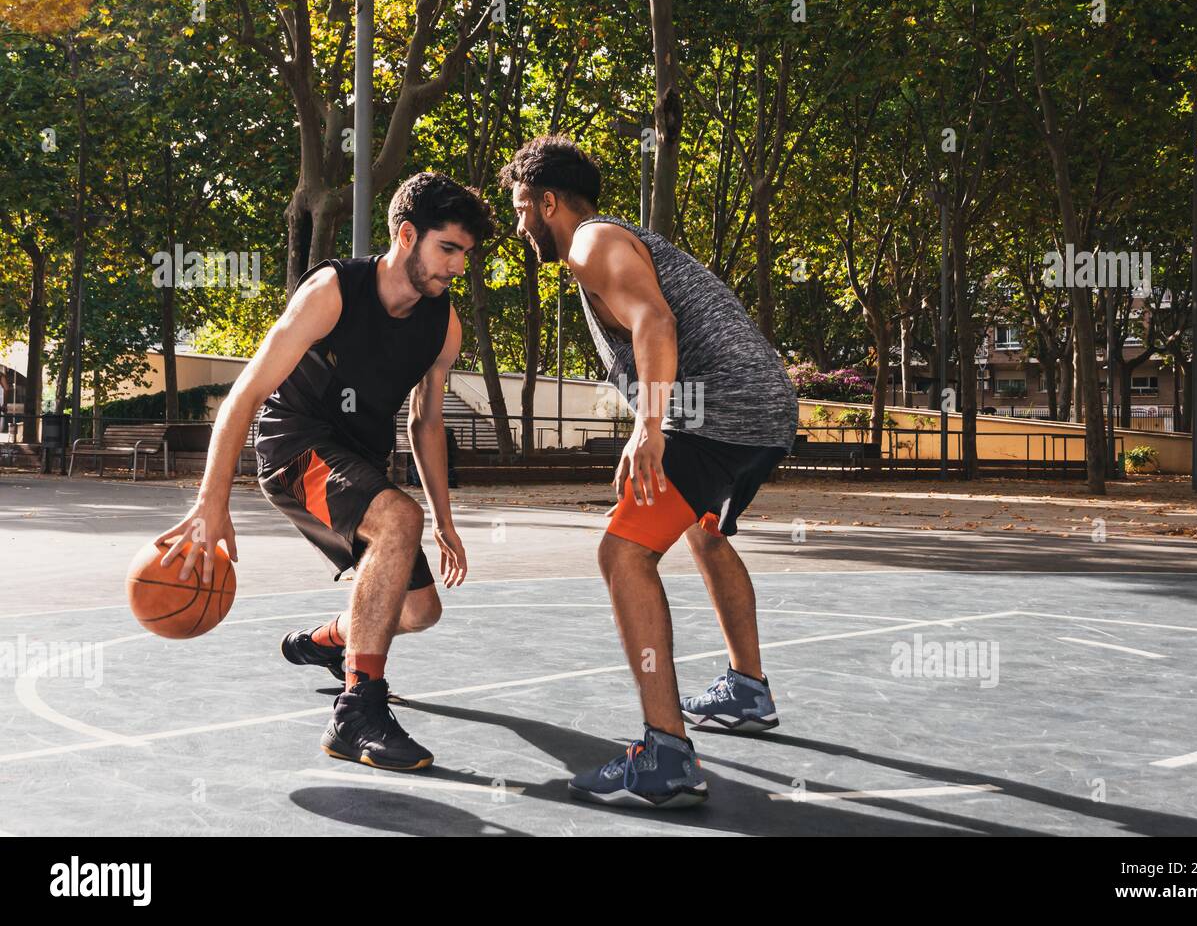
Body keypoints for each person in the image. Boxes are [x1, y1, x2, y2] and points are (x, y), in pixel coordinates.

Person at [153, 172, 493, 772]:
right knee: (396, 519)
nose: (458, 266)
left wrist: (445, 519)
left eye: (466, 253)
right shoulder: (333, 290)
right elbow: (246, 394)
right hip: (294, 448)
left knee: (418, 612)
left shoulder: (444, 325)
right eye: (448, 248)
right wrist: (212, 500)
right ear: (406, 235)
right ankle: (357, 710)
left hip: (358, 462)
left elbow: (426, 424)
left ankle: (324, 641)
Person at [499, 136, 798, 807]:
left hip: (715, 413)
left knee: (623, 553)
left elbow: (654, 322)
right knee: (704, 532)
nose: (521, 226)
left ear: (549, 201)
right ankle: (747, 690)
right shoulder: (613, 243)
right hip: (765, 411)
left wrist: (649, 426)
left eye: (522, 209)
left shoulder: (590, 243)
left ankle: (664, 752)